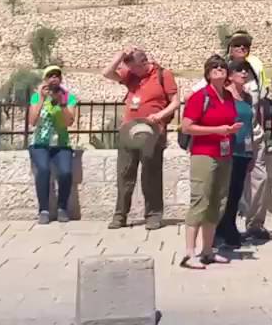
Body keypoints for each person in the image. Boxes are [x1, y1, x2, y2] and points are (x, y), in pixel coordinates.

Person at [102, 47, 179, 230]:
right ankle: (120, 215)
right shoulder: (131, 75)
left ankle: (153, 215)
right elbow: (107, 73)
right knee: (124, 173)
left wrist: (160, 115)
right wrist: (120, 55)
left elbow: (175, 102)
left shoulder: (163, 75)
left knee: (150, 175)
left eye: (134, 68)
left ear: (144, 63)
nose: (131, 72)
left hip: (153, 131)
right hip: (129, 130)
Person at [179, 55, 241, 269]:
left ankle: (207, 250)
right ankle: (189, 253)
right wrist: (217, 130)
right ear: (207, 73)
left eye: (222, 67)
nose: (218, 69)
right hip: (203, 154)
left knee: (218, 201)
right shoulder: (200, 97)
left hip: (224, 154)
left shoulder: (228, 97)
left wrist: (230, 131)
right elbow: (186, 127)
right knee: (200, 200)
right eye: (214, 67)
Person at [227, 30, 272, 243]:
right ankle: (226, 225)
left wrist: (263, 129)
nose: (242, 49)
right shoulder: (222, 70)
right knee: (231, 182)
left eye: (245, 46)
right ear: (230, 49)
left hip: (254, 136)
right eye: (237, 46)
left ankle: (255, 223)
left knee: (260, 179)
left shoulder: (254, 71)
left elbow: (261, 103)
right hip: (231, 138)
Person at [26, 65, 78, 224]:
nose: (54, 78)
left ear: (60, 79)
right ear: (45, 80)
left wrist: (60, 104)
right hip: (40, 144)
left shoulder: (69, 98)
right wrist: (42, 99)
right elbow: (32, 121)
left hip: (61, 143)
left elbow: (69, 122)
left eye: (57, 75)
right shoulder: (36, 97)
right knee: (43, 170)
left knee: (66, 172)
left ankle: (62, 208)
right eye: (50, 76)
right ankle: (44, 210)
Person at [217, 66, 256, 249]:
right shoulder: (225, 96)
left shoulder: (247, 97)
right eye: (239, 71)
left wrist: (252, 152)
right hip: (228, 150)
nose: (244, 74)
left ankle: (229, 226)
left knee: (236, 192)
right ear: (230, 76)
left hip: (244, 149)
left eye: (245, 71)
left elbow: (251, 125)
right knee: (225, 191)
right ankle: (223, 229)